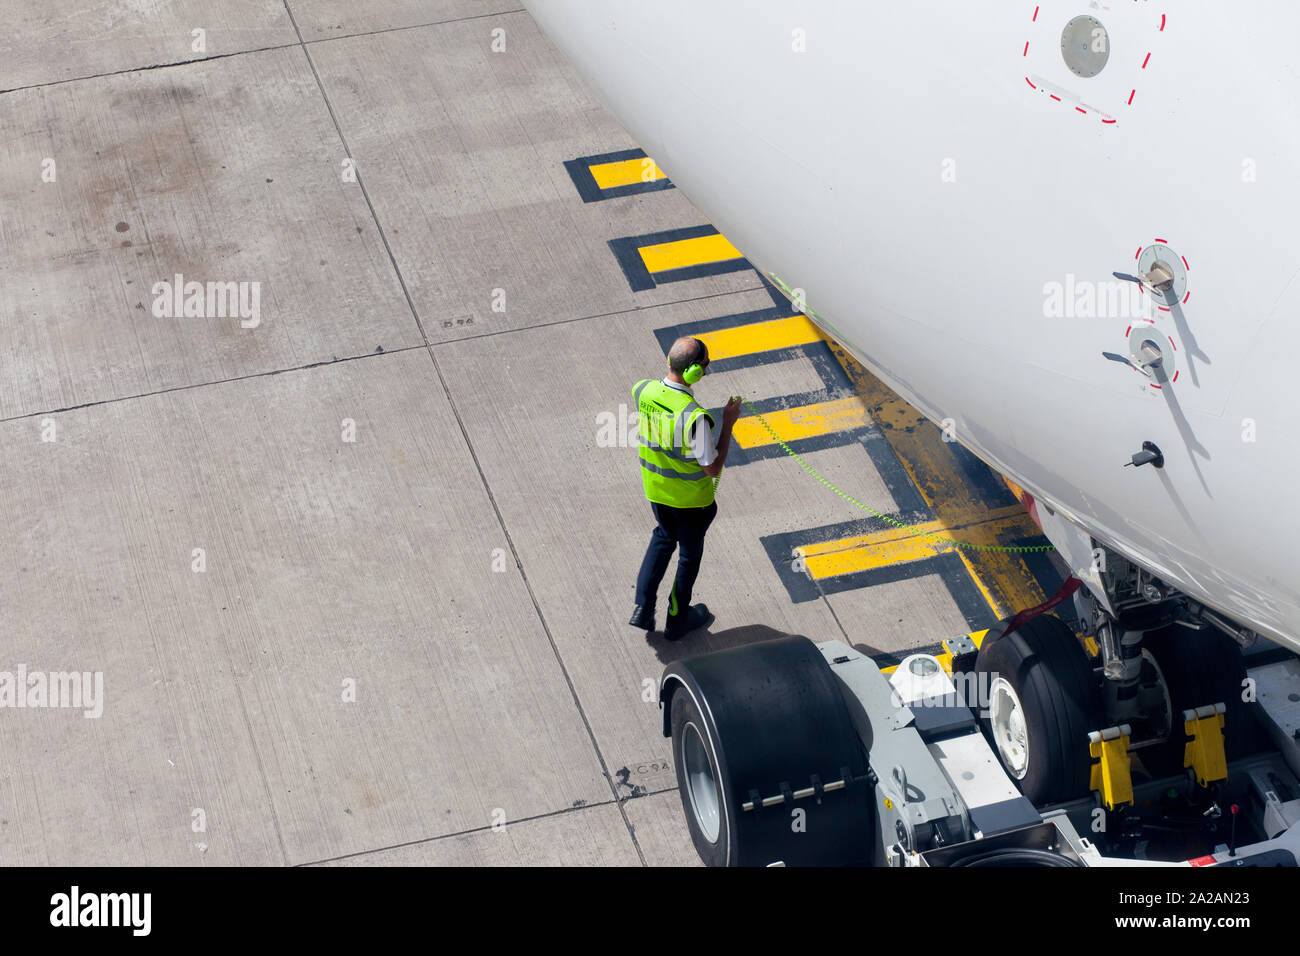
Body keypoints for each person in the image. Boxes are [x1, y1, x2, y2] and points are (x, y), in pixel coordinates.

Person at [629, 336, 742, 639]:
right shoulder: (694, 418)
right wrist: (728, 422)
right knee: (688, 558)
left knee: (663, 539)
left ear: (669, 360)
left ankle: (642, 606)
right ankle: (677, 621)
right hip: (692, 504)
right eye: (706, 366)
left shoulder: (642, 390)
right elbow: (712, 467)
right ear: (694, 372)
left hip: (657, 492)